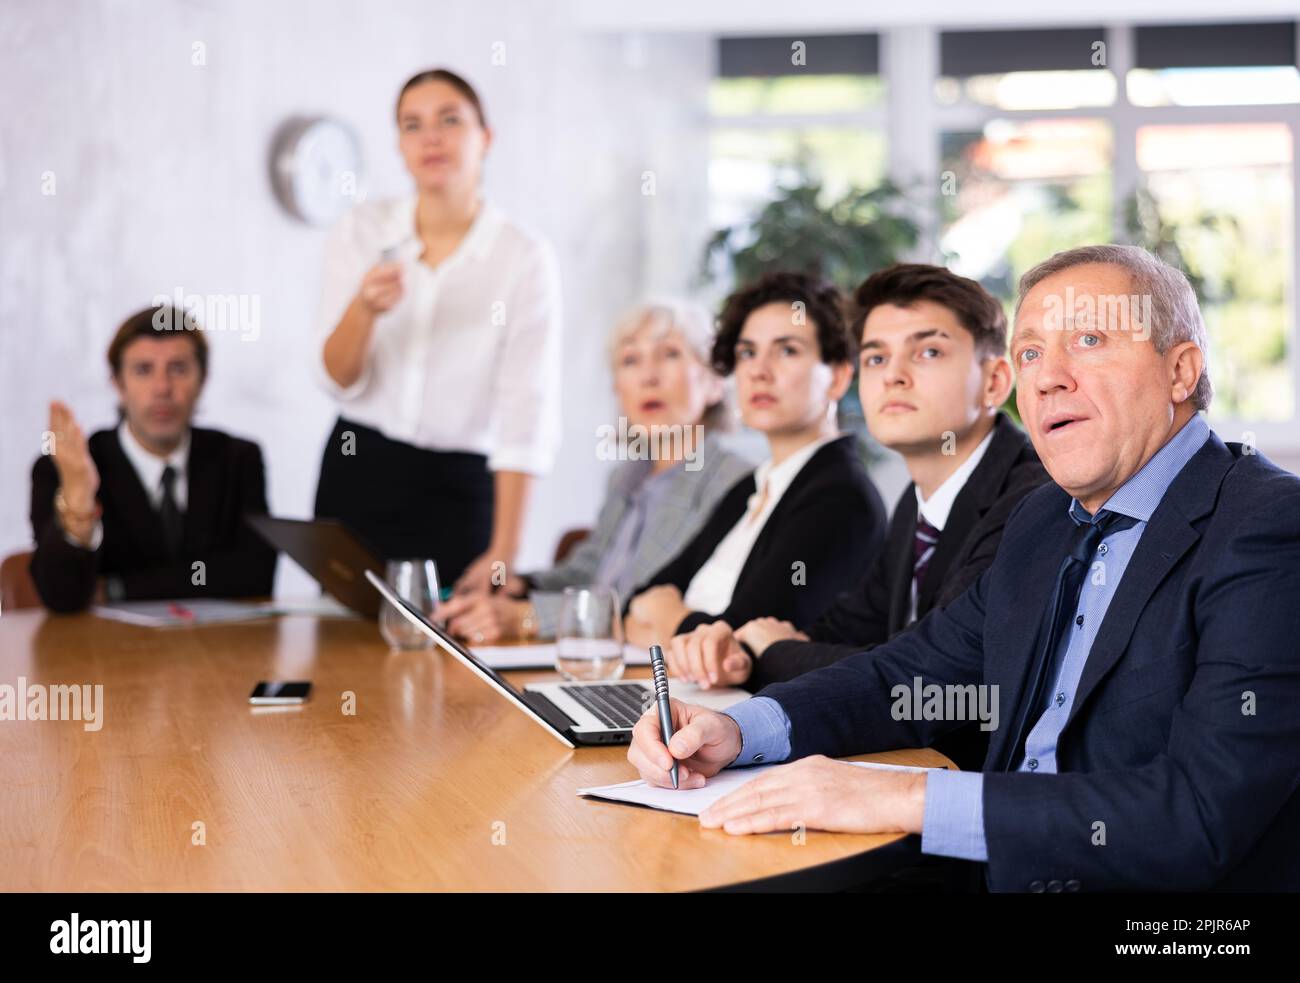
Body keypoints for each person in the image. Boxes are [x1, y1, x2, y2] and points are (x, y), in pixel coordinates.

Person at [628, 245, 1300, 892]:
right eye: (1031, 351)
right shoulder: (1044, 520)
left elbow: (1197, 815)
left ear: (1181, 371)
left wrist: (904, 796)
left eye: (1089, 340)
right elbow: (906, 672)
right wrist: (740, 730)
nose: (1047, 375)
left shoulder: (1267, 525)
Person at [665, 264, 1049, 772]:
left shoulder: (1029, 502)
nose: (894, 374)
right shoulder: (917, 502)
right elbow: (845, 630)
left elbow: (933, 680)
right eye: (876, 356)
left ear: (996, 381)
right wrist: (739, 645)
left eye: (929, 351)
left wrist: (772, 651)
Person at [313, 68, 562, 589]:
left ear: (485, 138)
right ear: (399, 145)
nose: (432, 137)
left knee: (451, 647)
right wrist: (364, 308)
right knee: (339, 649)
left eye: (450, 120)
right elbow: (337, 378)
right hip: (359, 467)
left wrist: (505, 552)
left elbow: (526, 409)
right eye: (412, 125)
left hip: (460, 485)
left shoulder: (523, 257)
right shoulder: (362, 231)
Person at [432, 300, 754, 643]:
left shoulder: (733, 482)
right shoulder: (627, 477)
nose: (648, 376)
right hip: (592, 657)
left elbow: (643, 605)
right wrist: (523, 586)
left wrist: (528, 617)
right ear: (618, 387)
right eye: (630, 360)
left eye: (670, 354)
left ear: (714, 382)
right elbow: (588, 572)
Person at [624, 271, 886, 648]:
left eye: (787, 350)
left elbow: (740, 645)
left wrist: (667, 618)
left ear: (838, 378)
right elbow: (639, 600)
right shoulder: (753, 485)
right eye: (747, 352)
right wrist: (673, 624)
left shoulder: (841, 497)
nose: (759, 371)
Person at [30, 305, 276, 613]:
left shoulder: (238, 460)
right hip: (104, 656)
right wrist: (78, 501)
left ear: (202, 380)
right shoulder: (64, 469)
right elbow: (60, 597)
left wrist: (117, 588)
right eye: (144, 370)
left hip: (214, 652)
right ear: (119, 384)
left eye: (178, 369)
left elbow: (254, 575)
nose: (162, 388)